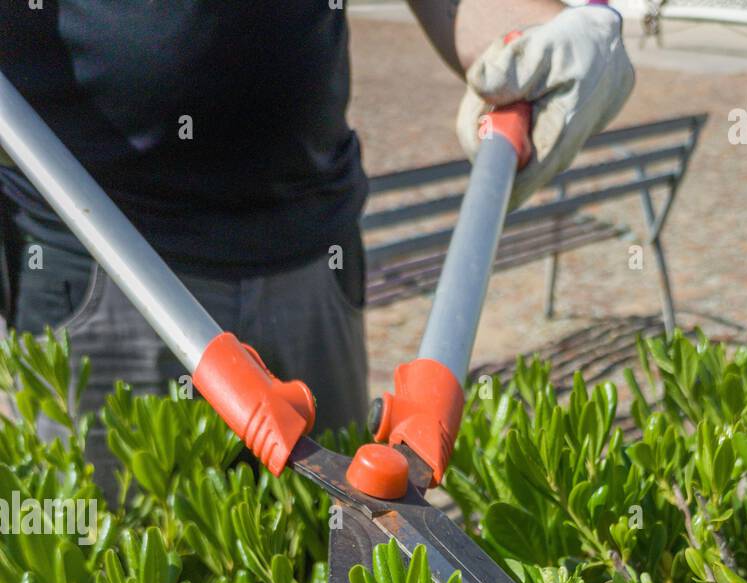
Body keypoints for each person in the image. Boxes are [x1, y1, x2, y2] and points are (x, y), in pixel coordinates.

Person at [0, 1, 634, 488]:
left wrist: (547, 35)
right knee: (112, 581)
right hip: (93, 259)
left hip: (312, 246)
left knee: (324, 559)